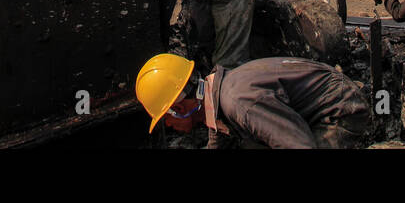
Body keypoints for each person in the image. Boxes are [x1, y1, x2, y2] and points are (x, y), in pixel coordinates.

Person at [135, 53, 370, 148]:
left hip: (340, 112)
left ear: (178, 108)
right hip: (321, 102)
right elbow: (217, 135)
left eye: (165, 119)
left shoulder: (239, 104)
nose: (167, 126)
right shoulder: (217, 92)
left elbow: (300, 146)